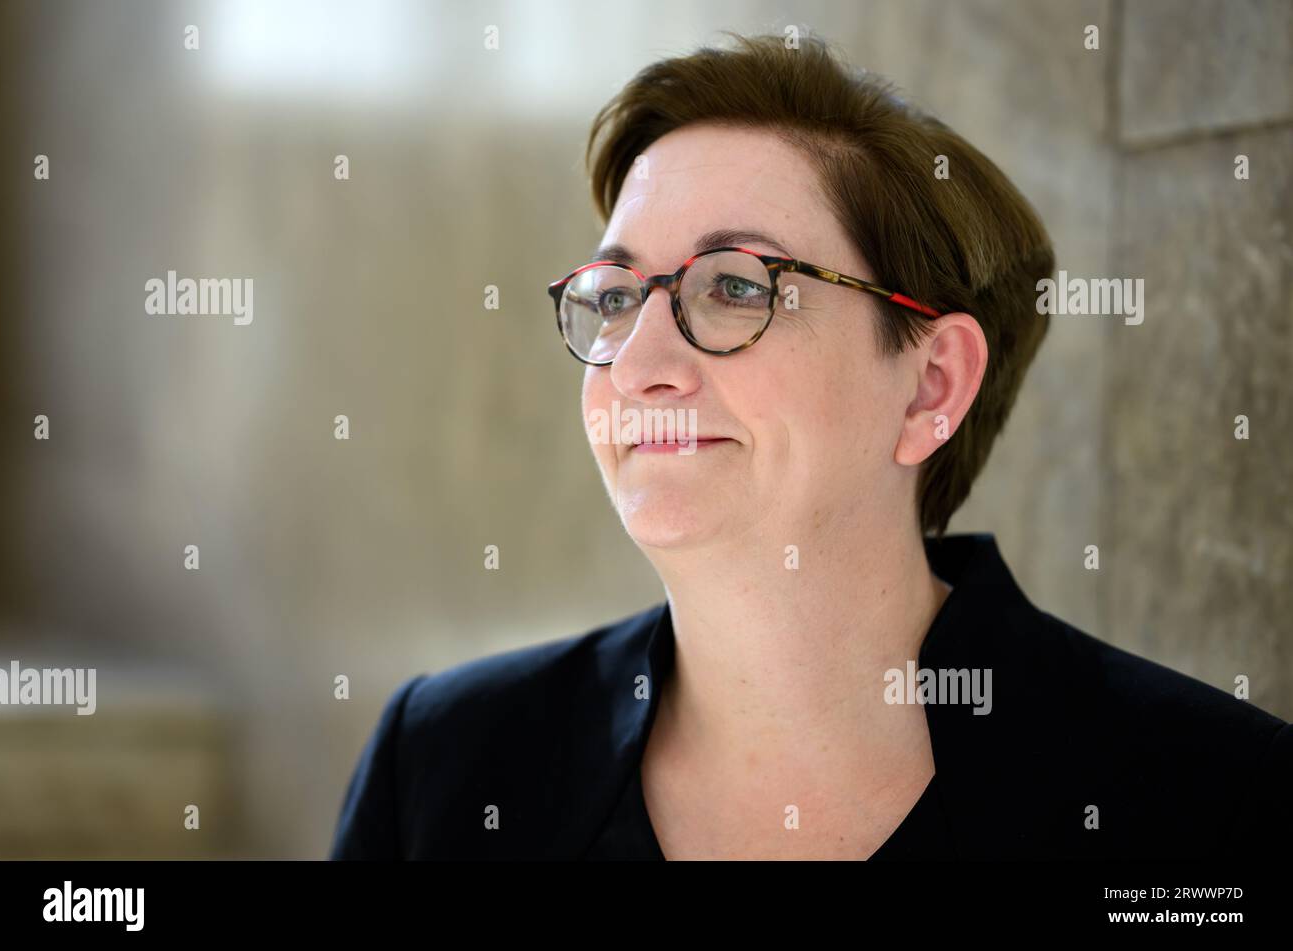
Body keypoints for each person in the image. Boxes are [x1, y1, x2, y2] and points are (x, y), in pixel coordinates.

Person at [330, 32, 1291, 860]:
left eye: (737, 286)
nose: (637, 366)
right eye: (617, 296)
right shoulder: (445, 766)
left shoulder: (1212, 802)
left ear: (931, 386)